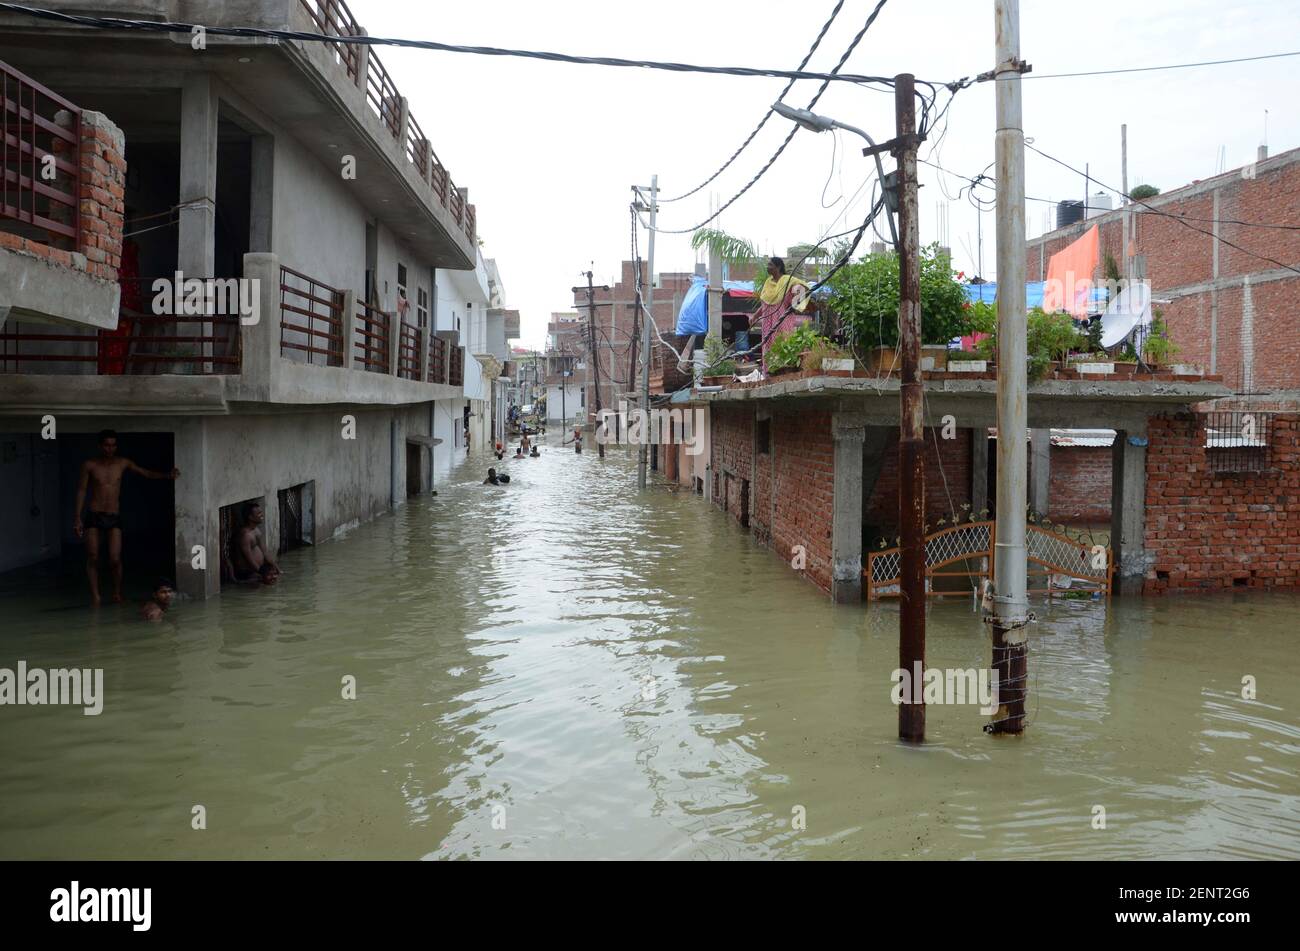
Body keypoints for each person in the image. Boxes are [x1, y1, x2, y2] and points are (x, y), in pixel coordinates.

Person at [74, 429, 180, 605]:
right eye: (107, 445)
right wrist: (77, 517)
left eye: (113, 445)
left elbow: (144, 473)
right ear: (100, 446)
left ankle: (116, 592)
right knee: (93, 556)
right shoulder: (89, 465)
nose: (110, 449)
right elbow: (81, 490)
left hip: (114, 515)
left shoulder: (122, 463)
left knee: (115, 558)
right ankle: (96, 595)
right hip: (94, 514)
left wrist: (166, 475)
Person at [754, 256, 811, 372]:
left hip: (782, 323)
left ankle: (784, 373)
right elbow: (765, 304)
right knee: (768, 349)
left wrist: (796, 305)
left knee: (784, 347)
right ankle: (768, 374)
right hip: (767, 325)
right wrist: (755, 316)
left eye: (770, 265)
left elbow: (803, 288)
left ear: (778, 267)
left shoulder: (788, 281)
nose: (767, 267)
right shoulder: (768, 283)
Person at [231, 502, 281, 585]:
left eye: (261, 512)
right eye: (258, 513)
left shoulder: (256, 530)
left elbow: (265, 553)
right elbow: (249, 560)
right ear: (250, 517)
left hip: (260, 570)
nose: (262, 515)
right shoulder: (246, 535)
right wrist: (262, 575)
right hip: (249, 573)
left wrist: (277, 569)